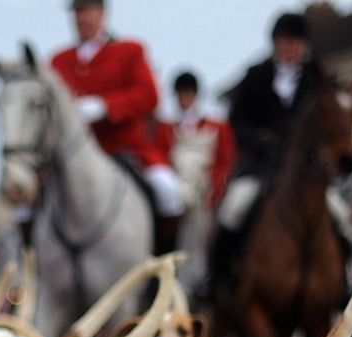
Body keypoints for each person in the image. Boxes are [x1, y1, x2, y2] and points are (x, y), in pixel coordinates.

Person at [205, 12, 333, 296]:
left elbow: (329, 121)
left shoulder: (317, 79)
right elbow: (237, 122)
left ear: (304, 45)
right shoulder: (255, 76)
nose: (289, 48)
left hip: (305, 173)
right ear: (274, 44)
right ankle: (217, 278)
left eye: (295, 42)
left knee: (339, 215)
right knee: (233, 209)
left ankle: (342, 282)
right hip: (260, 166)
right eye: (283, 42)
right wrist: (262, 142)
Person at [50, 0, 184, 255]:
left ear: (102, 13)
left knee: (169, 191)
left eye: (87, 10)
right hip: (72, 156)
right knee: (25, 202)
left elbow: (149, 96)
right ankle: (28, 265)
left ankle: (164, 264)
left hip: (123, 148)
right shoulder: (59, 61)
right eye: (77, 11)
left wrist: (105, 106)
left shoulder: (130, 51)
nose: (82, 18)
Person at [154, 71, 237, 210]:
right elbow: (162, 156)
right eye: (180, 95)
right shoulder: (166, 128)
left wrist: (215, 186)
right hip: (177, 184)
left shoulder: (217, 127)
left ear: (195, 96)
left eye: (188, 94)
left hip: (206, 187)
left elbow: (226, 158)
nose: (184, 99)